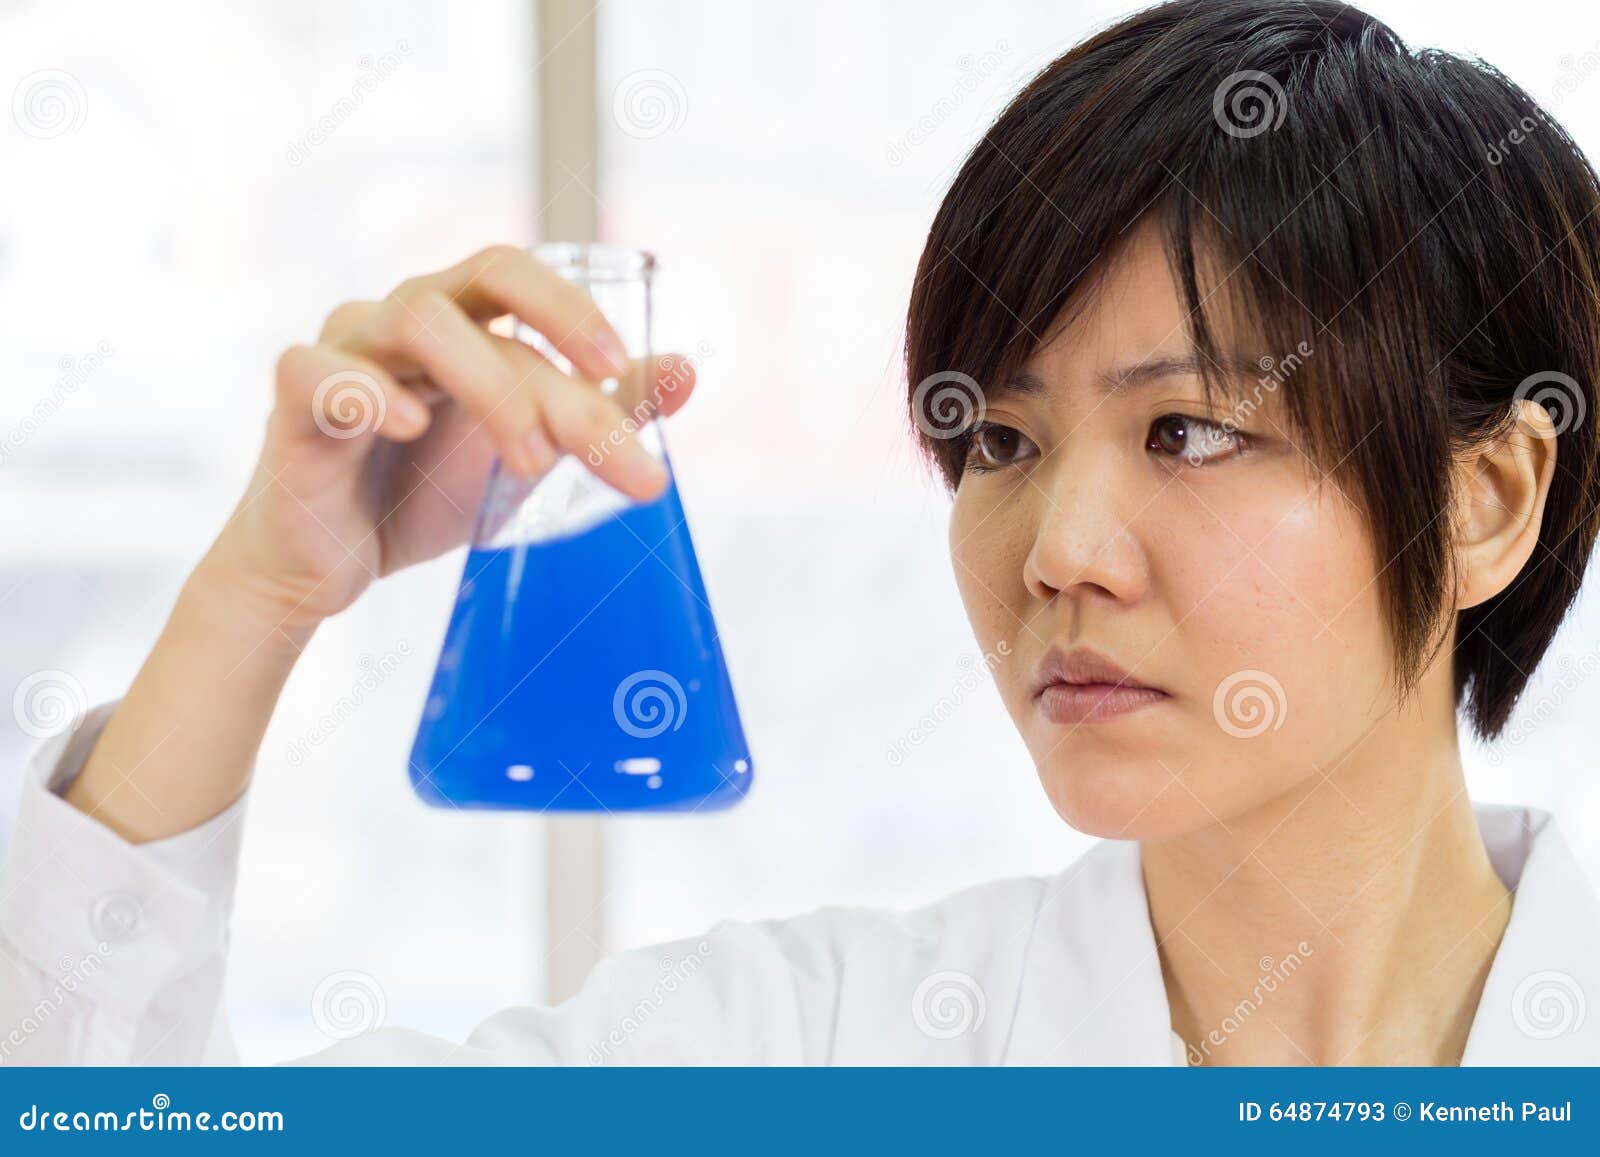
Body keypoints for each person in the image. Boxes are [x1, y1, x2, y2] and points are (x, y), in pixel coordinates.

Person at [4, 0, 1600, 1067]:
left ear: (1488, 498)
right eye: (1003, 439)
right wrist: (264, 593)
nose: (1058, 549)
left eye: (1187, 429)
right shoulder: (811, 1048)